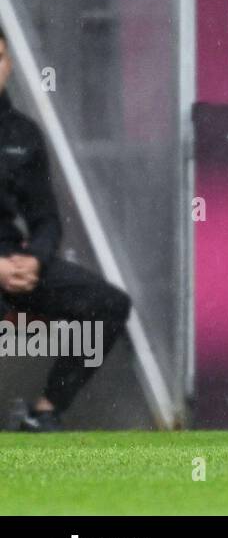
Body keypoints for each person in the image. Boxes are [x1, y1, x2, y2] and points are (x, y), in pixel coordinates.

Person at [0, 28, 132, 432]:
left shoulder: (22, 133)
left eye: (0, 57)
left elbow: (46, 218)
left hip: (14, 260)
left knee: (108, 303)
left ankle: (45, 411)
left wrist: (34, 260)